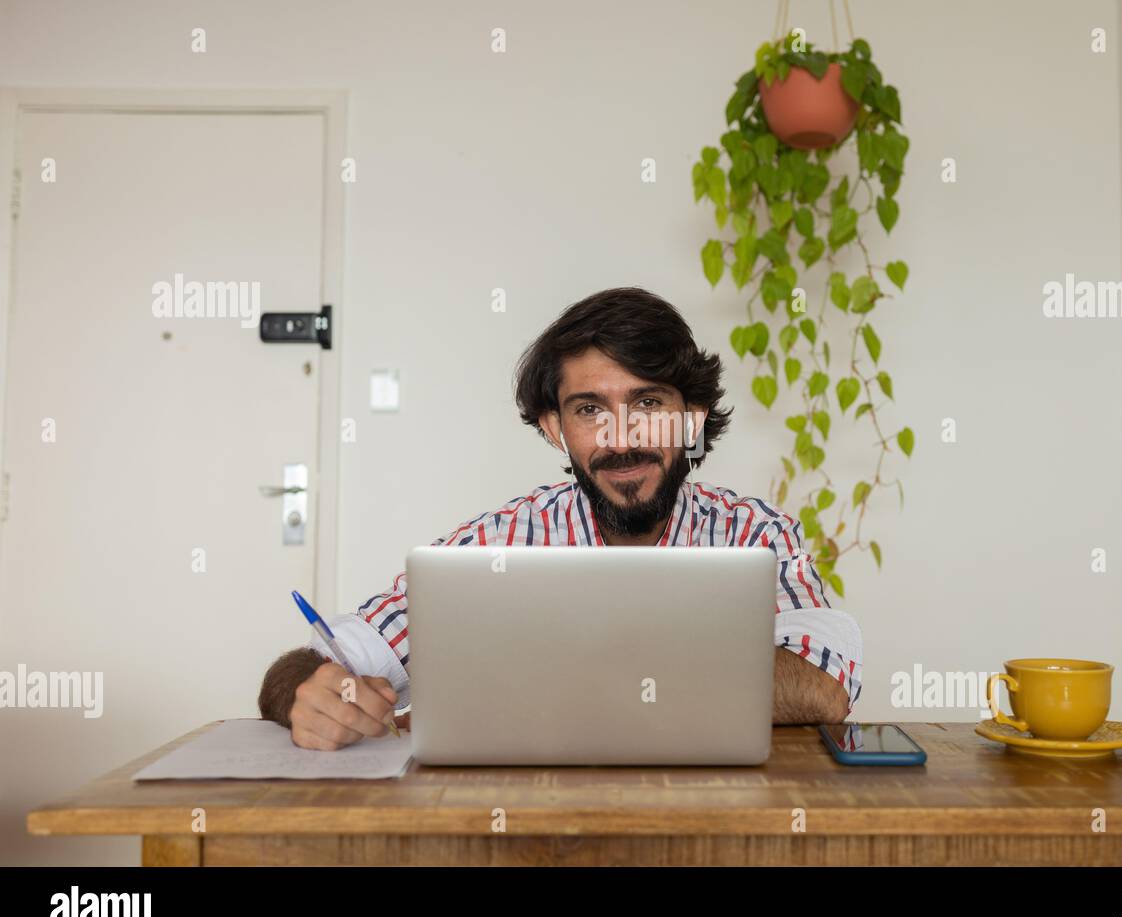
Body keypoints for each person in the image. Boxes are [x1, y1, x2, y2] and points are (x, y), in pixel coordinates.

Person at [258, 287, 864, 750]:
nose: (622, 437)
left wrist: (553, 685)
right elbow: (312, 664)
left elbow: (819, 686)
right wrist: (308, 695)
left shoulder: (755, 533)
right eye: (589, 408)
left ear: (693, 420)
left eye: (648, 402)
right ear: (555, 428)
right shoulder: (496, 543)